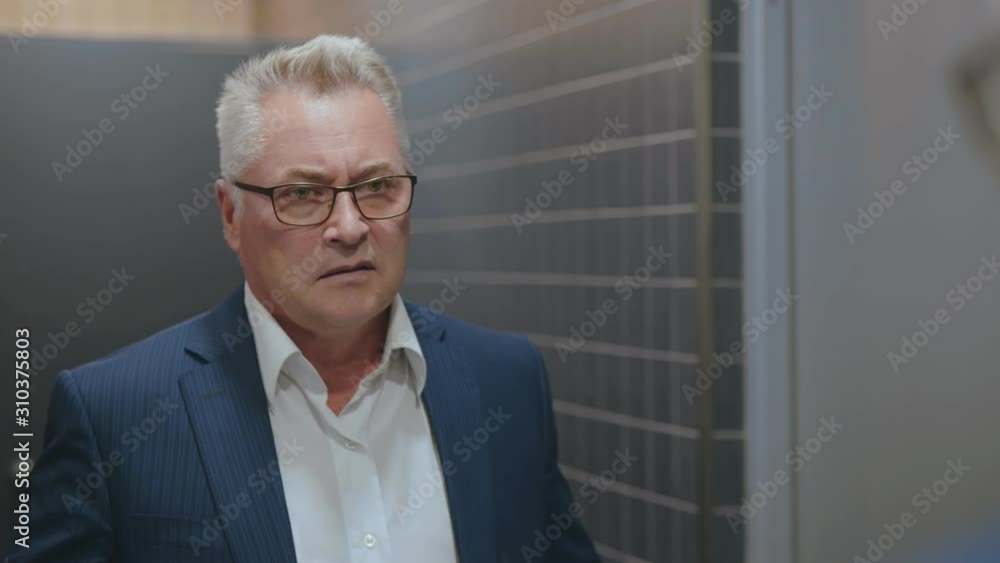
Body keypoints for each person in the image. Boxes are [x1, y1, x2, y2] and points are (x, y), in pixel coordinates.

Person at [8, 35, 599, 563]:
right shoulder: (116, 414)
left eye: (376, 186)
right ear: (230, 214)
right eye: (303, 194)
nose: (349, 226)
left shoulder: (506, 382)